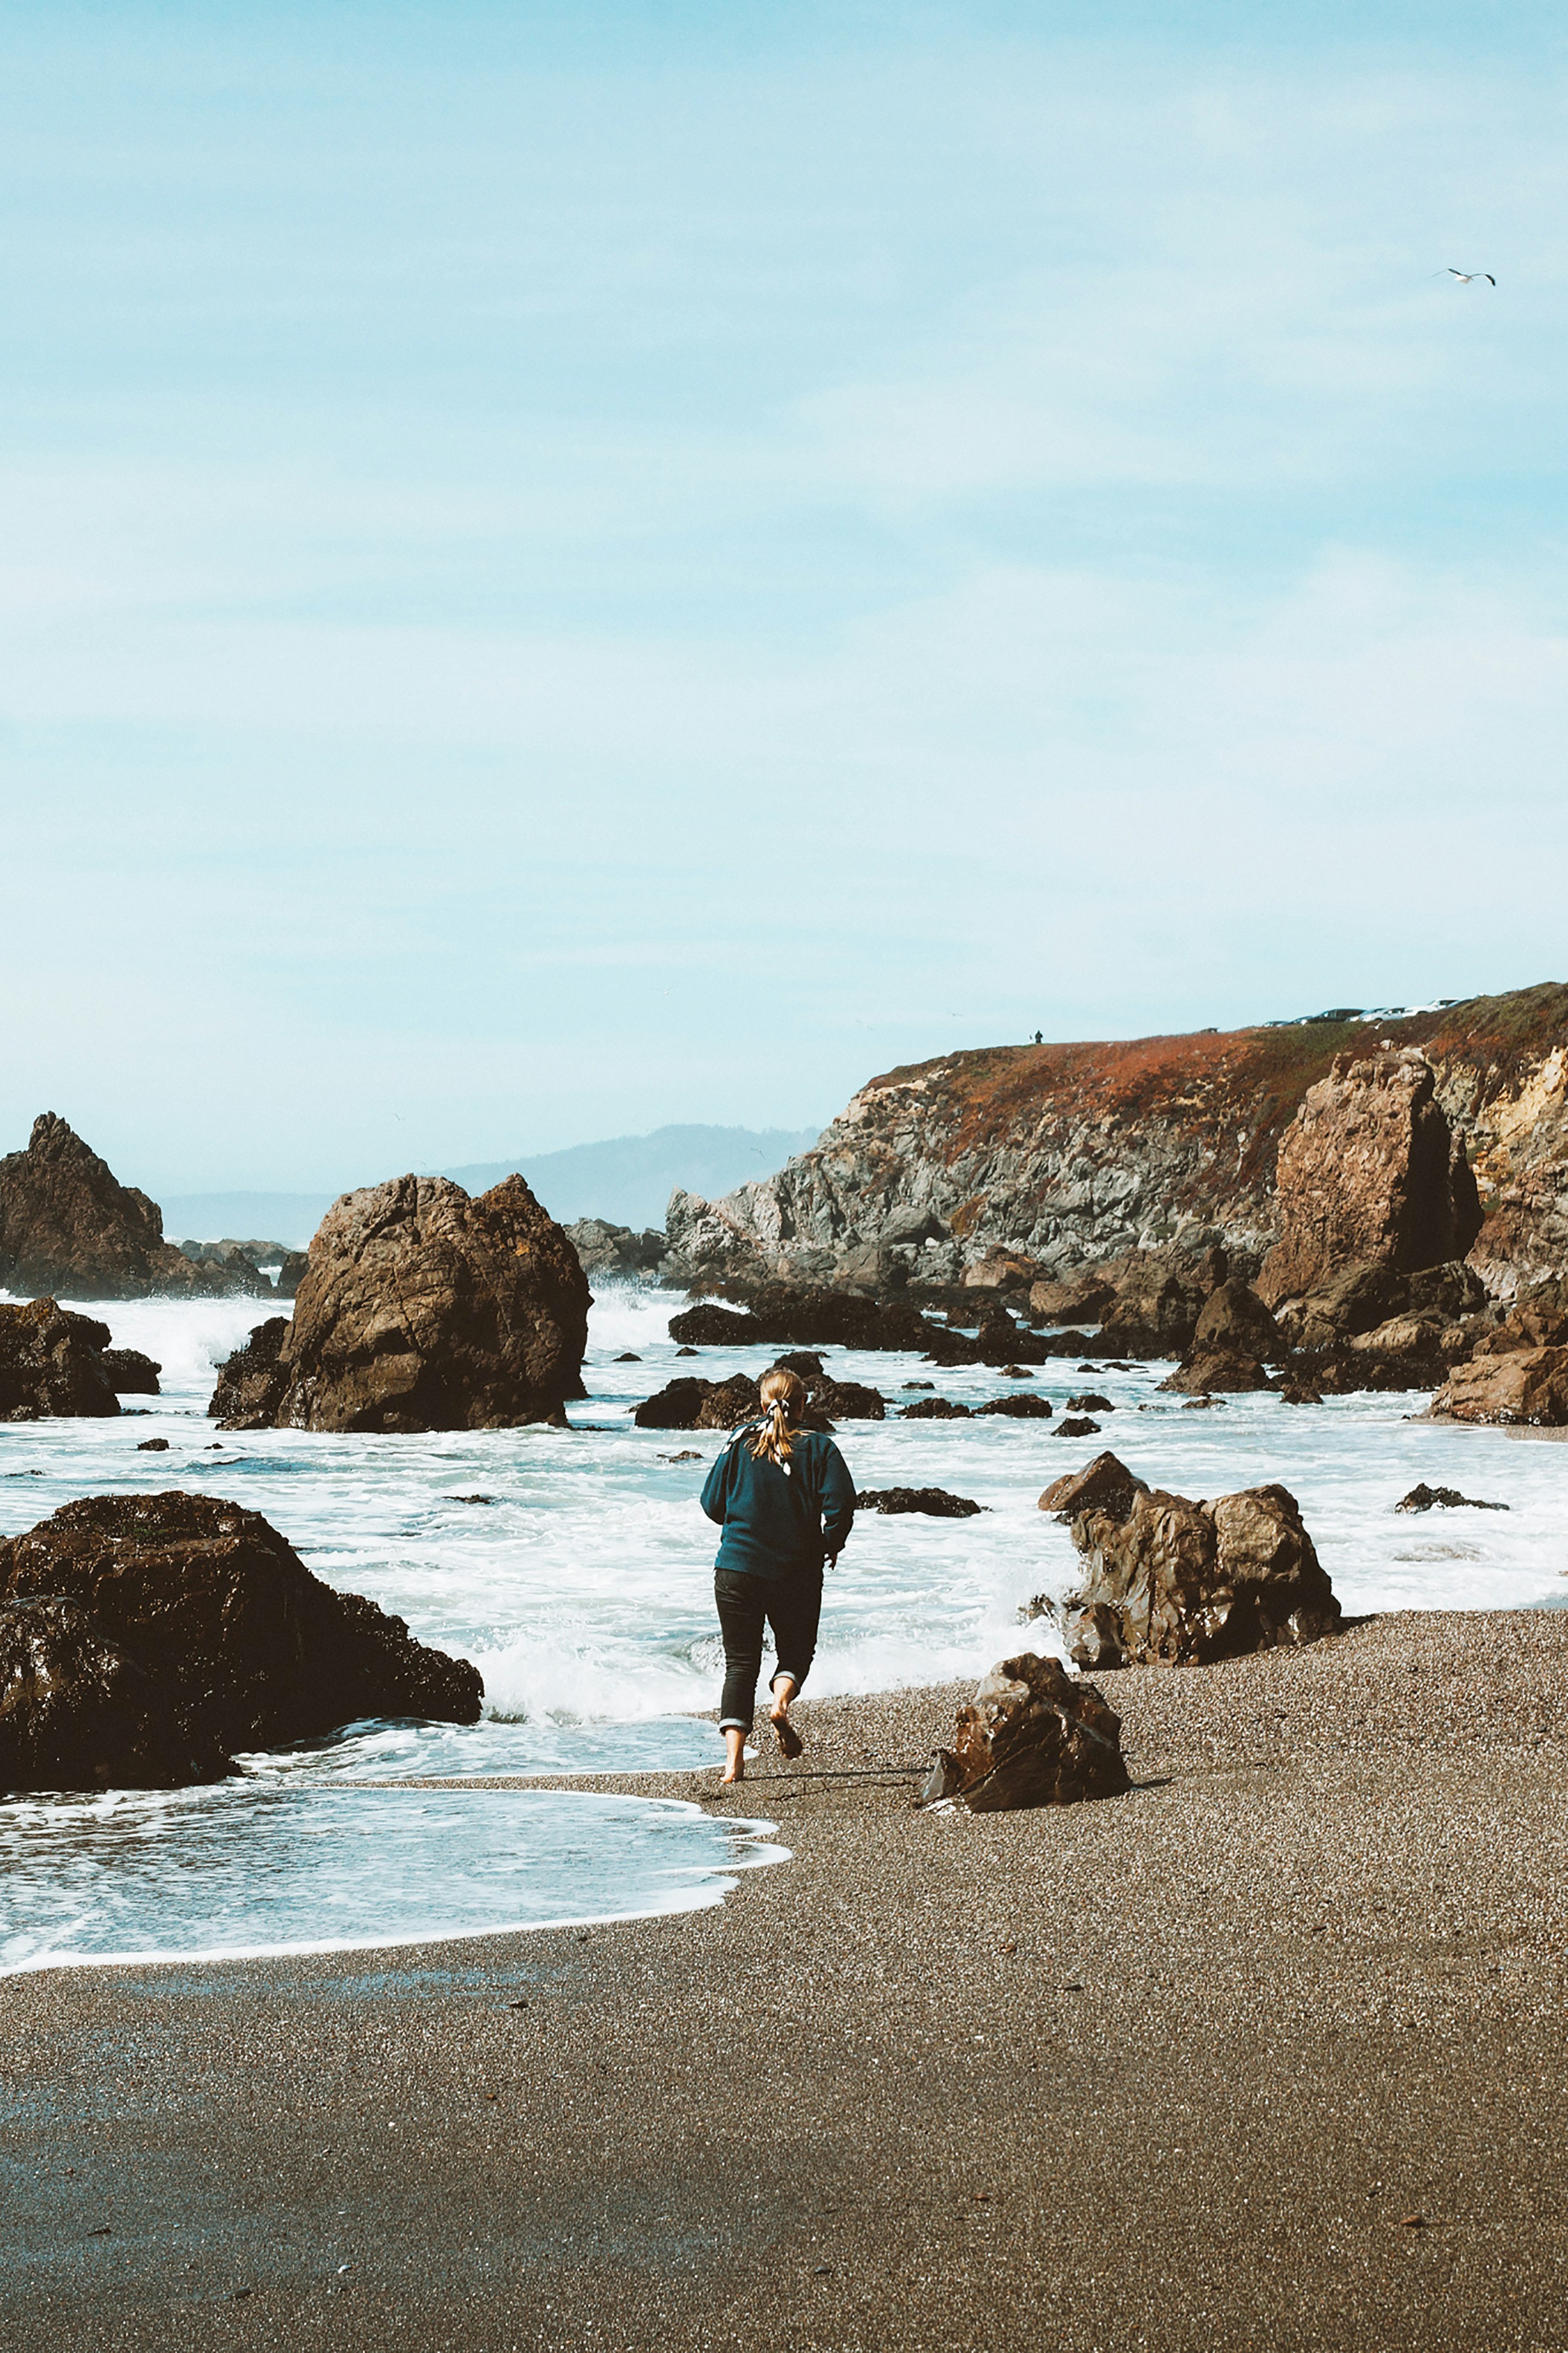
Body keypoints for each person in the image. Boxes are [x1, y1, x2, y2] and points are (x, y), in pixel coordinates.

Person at [699, 1366, 856, 1784]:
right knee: (796, 1653)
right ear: (803, 1404)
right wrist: (829, 1545)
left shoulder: (738, 1442)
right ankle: (781, 1705)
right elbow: (842, 1506)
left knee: (740, 1665)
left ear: (761, 1402)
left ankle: (734, 1762)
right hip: (796, 1571)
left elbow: (711, 1504)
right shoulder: (821, 1448)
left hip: (735, 1569)